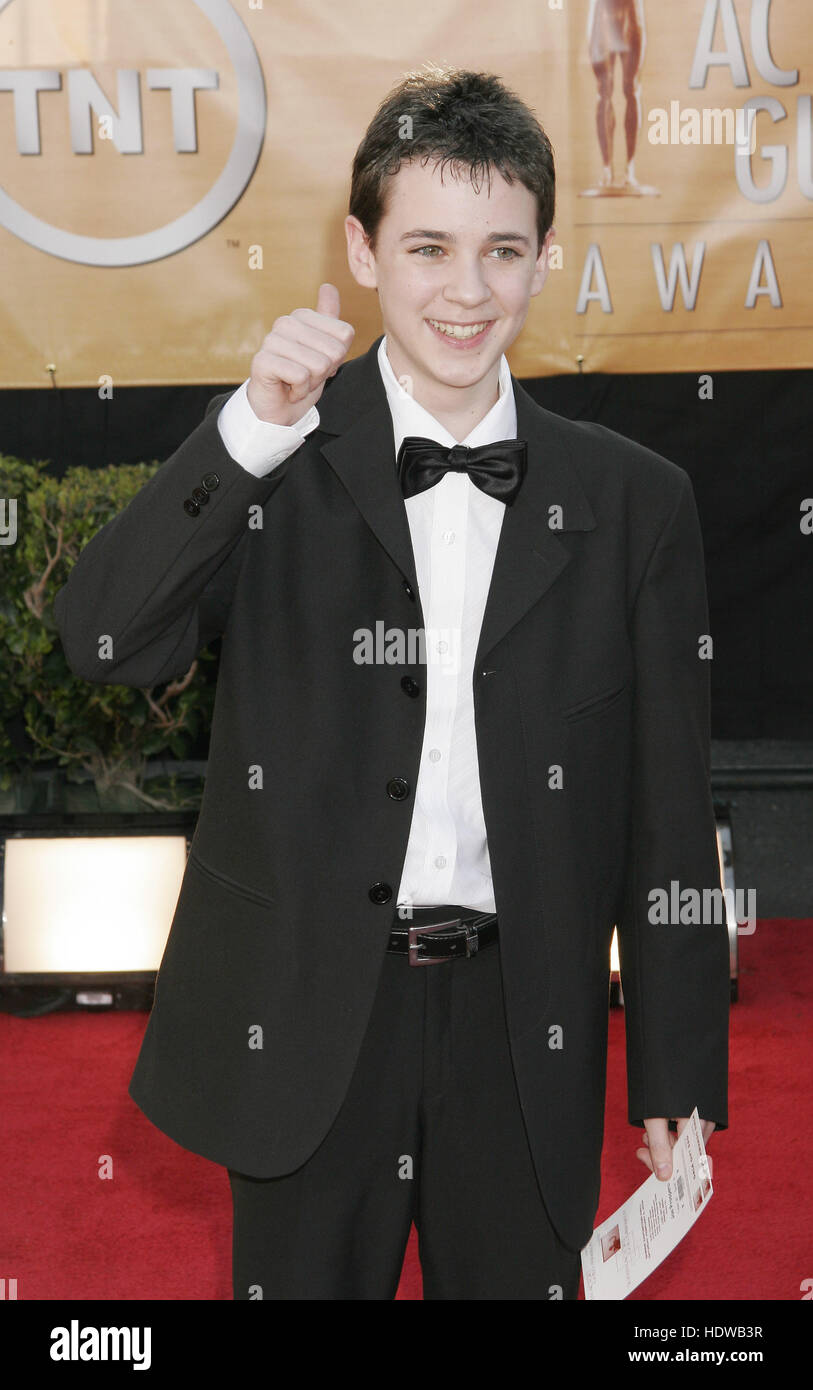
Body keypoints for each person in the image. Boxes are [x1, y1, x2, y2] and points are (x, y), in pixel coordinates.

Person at [54, 65, 729, 1301]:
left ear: (546, 259)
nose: (465, 293)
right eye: (427, 248)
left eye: (500, 251)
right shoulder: (277, 459)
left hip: (527, 1037)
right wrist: (250, 428)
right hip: (314, 1015)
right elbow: (101, 640)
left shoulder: (637, 502)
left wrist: (677, 1074)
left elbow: (667, 811)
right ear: (362, 253)